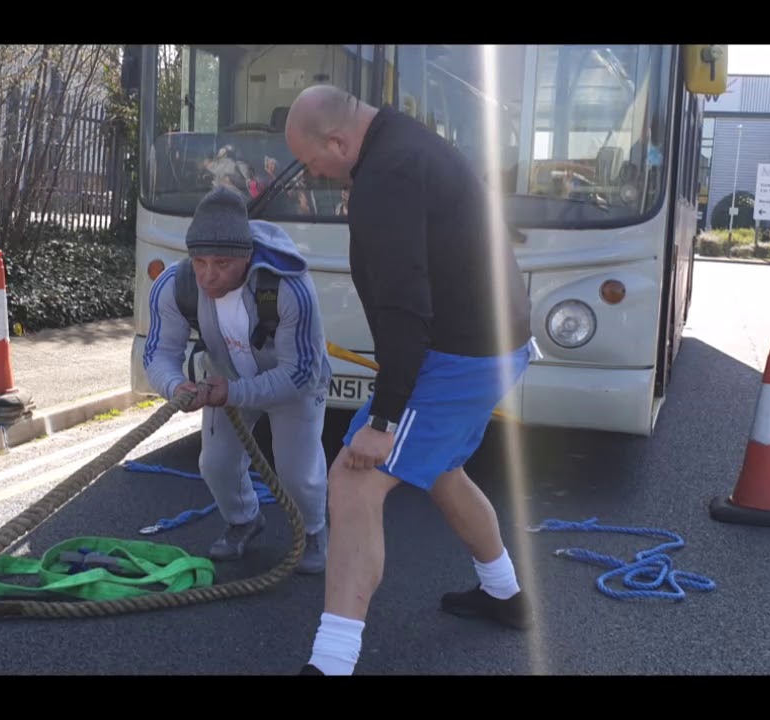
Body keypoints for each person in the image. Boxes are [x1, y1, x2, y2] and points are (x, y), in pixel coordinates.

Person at [284, 85, 536, 675]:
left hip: (458, 357)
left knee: (354, 479)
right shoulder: (404, 141)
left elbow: (403, 303)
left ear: (339, 140)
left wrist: (383, 419)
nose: (314, 174)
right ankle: (506, 596)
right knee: (442, 469)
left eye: (314, 161)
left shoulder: (385, 176)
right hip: (492, 344)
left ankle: (332, 661)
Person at [142, 185, 332, 574]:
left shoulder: (288, 285)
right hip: (226, 380)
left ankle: (313, 531)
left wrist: (236, 391)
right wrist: (175, 386)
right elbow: (158, 354)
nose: (208, 276)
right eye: (200, 262)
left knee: (297, 473)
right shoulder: (175, 287)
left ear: (246, 258)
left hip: (293, 385)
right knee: (216, 463)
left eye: (223, 264)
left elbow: (299, 373)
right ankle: (244, 520)